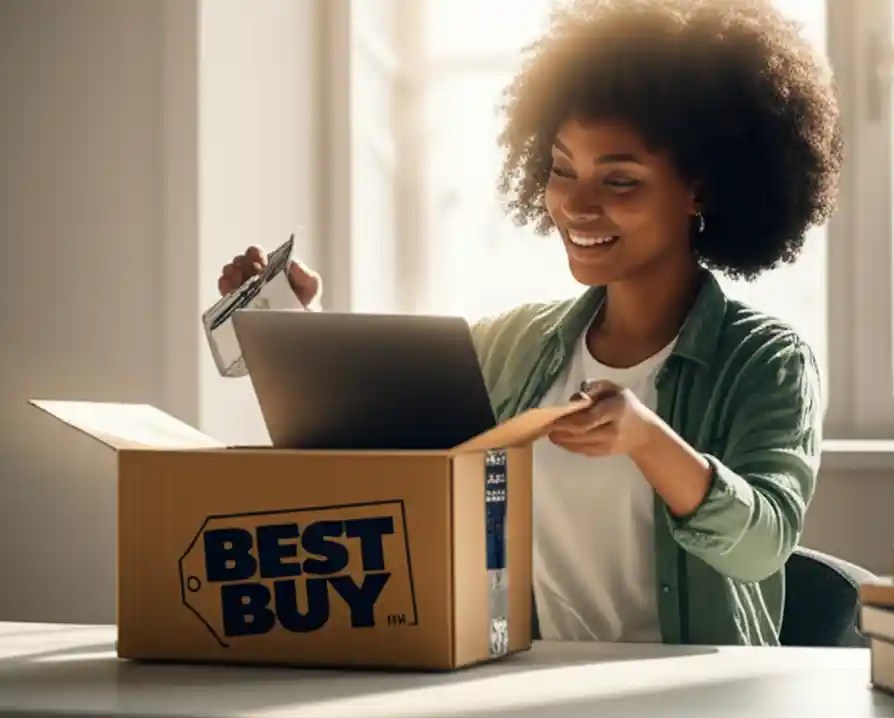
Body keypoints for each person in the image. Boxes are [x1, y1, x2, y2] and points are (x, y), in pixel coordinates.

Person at [217, 0, 841, 646]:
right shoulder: (514, 346)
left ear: (700, 192)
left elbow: (761, 547)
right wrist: (297, 323)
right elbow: (382, 457)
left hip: (696, 701)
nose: (575, 204)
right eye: (562, 168)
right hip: (533, 691)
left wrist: (648, 440)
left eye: (620, 180)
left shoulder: (767, 362)